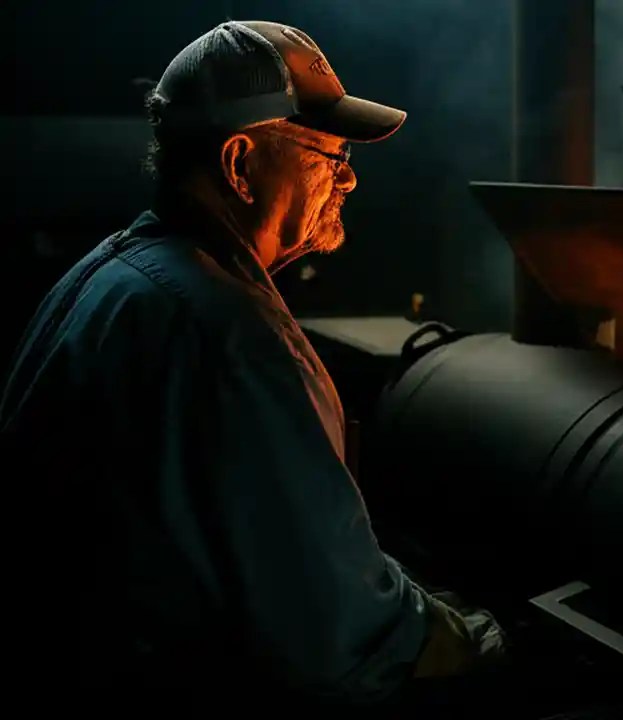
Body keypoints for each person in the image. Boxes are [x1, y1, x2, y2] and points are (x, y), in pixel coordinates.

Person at [0, 20, 503, 706]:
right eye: (327, 154)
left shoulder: (111, 271)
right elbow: (338, 637)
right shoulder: (228, 334)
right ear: (240, 164)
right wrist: (478, 635)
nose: (348, 180)